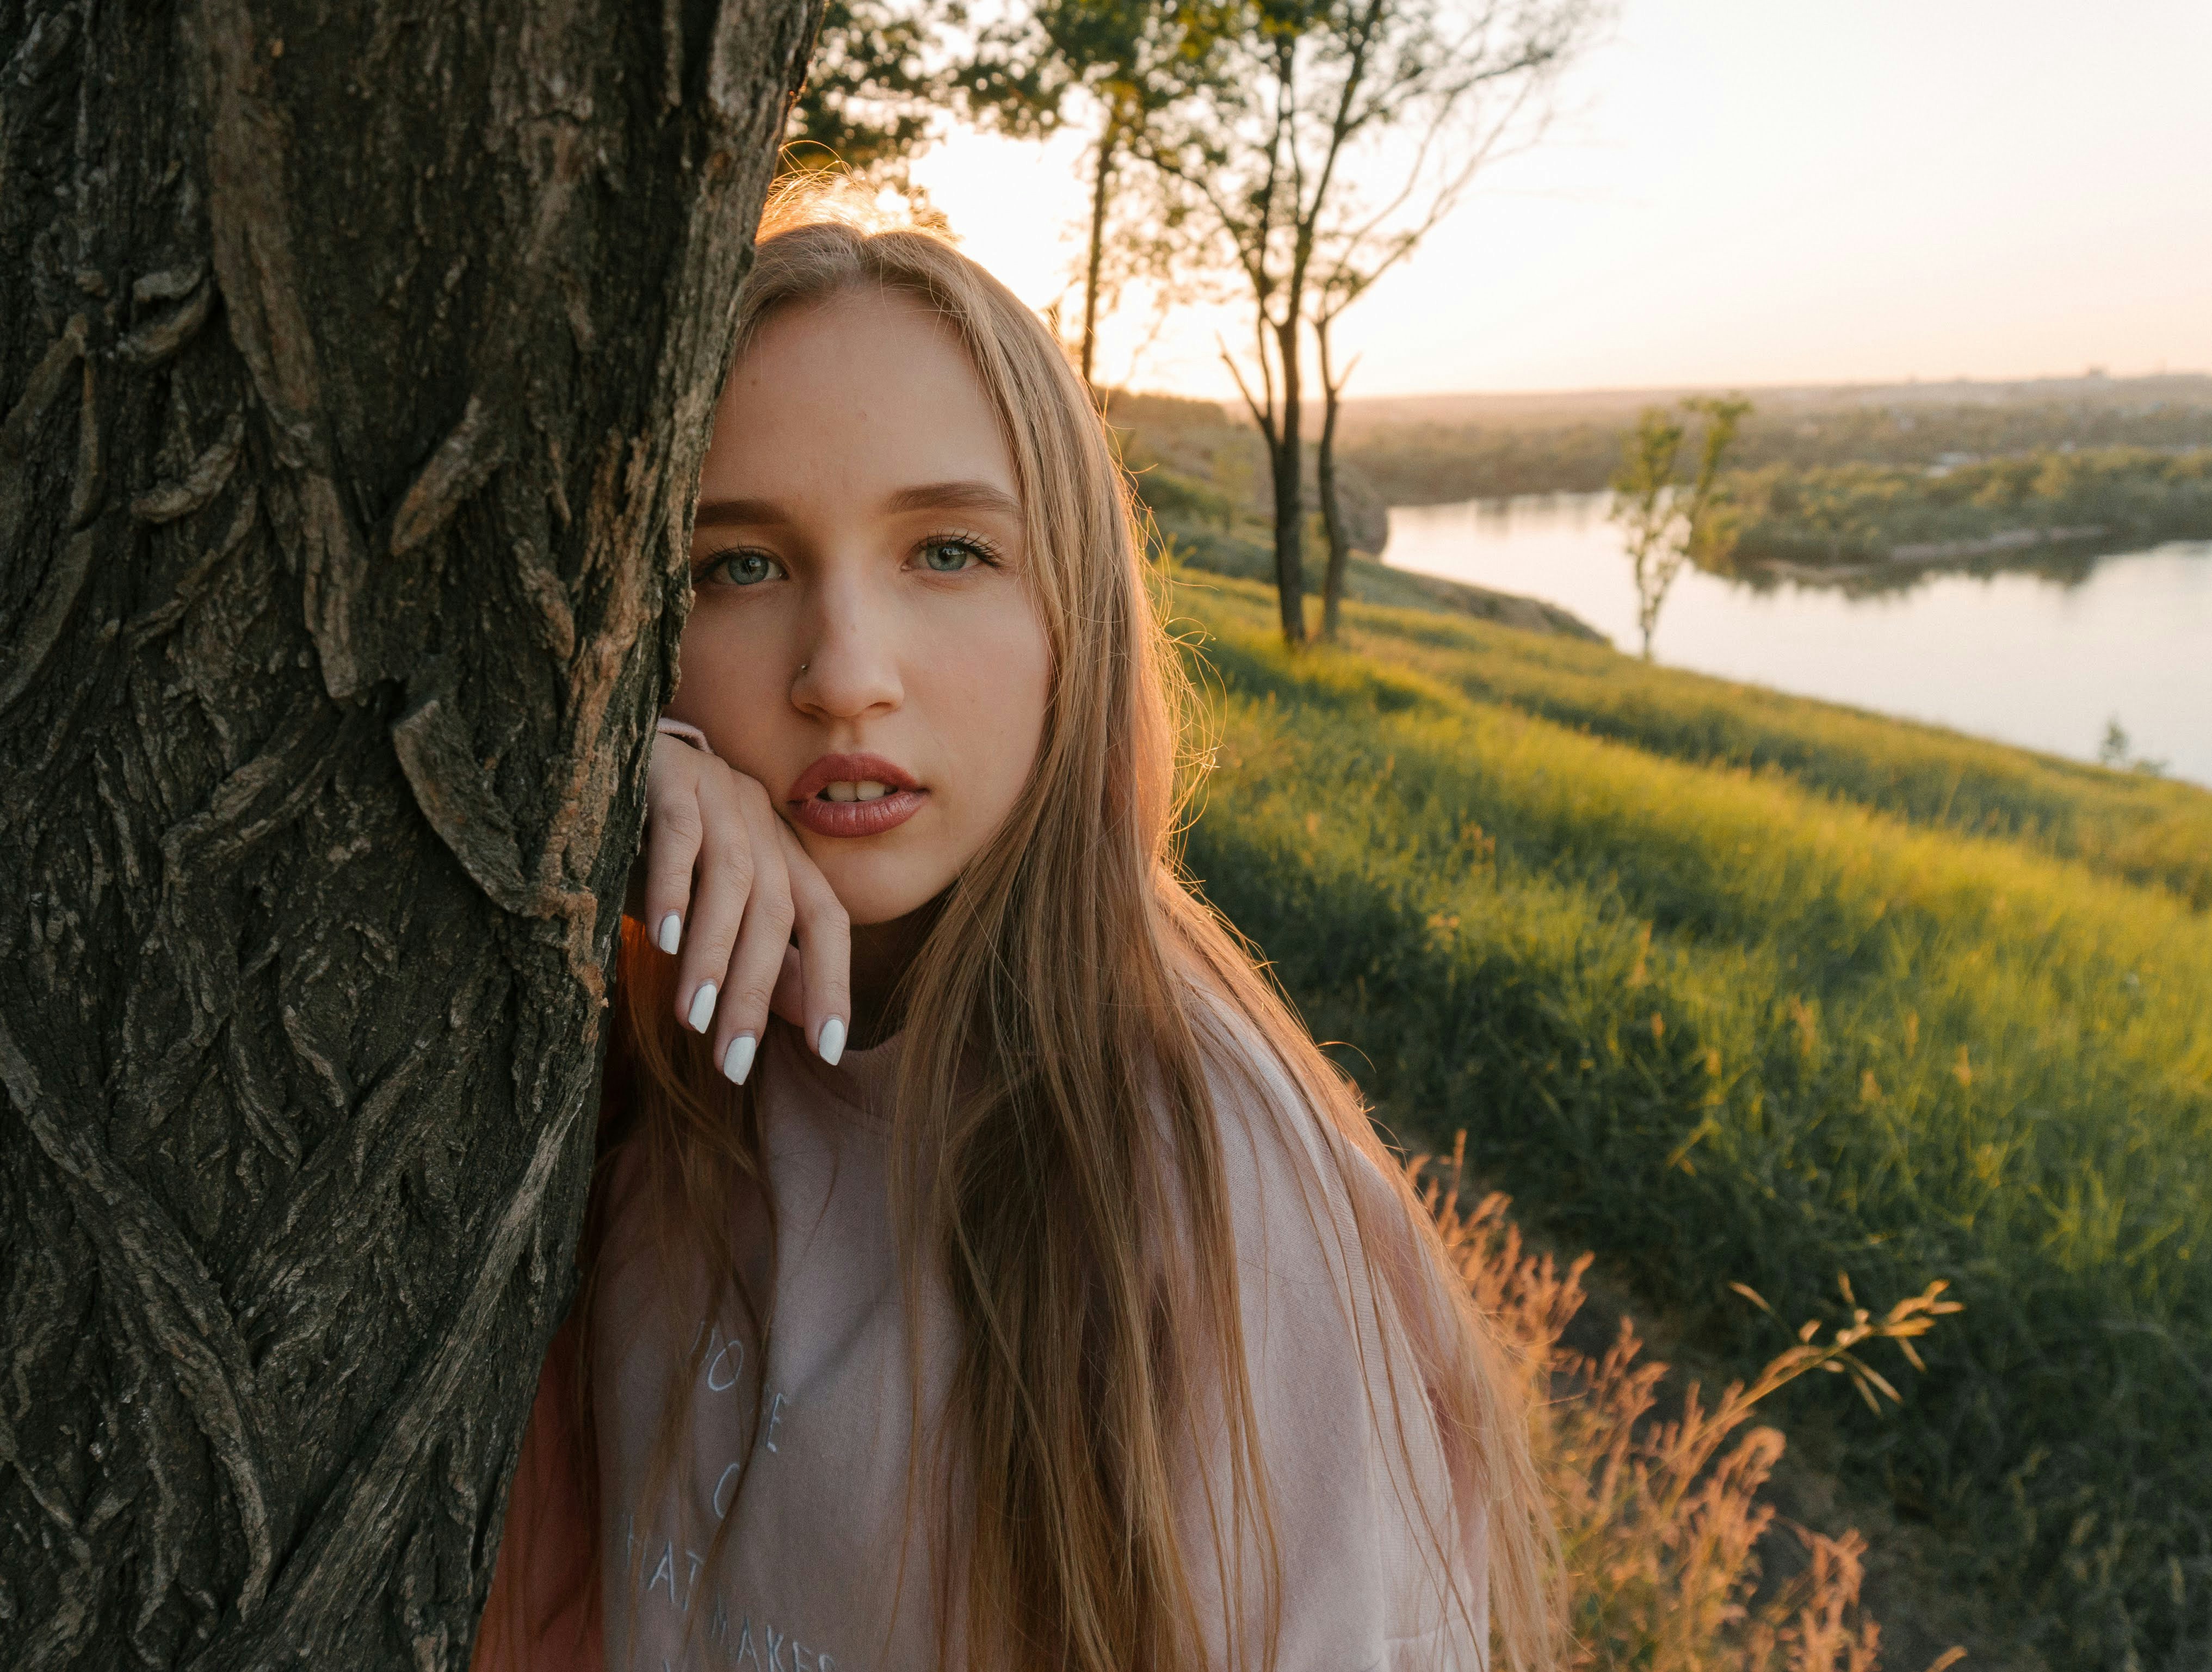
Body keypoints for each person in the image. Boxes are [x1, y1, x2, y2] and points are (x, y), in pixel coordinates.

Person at [473, 181, 1555, 1672]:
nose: (843, 673)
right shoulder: (640, 1055)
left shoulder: (1209, 1187)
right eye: (740, 564)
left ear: (1074, 620)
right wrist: (592, 783)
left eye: (947, 553)